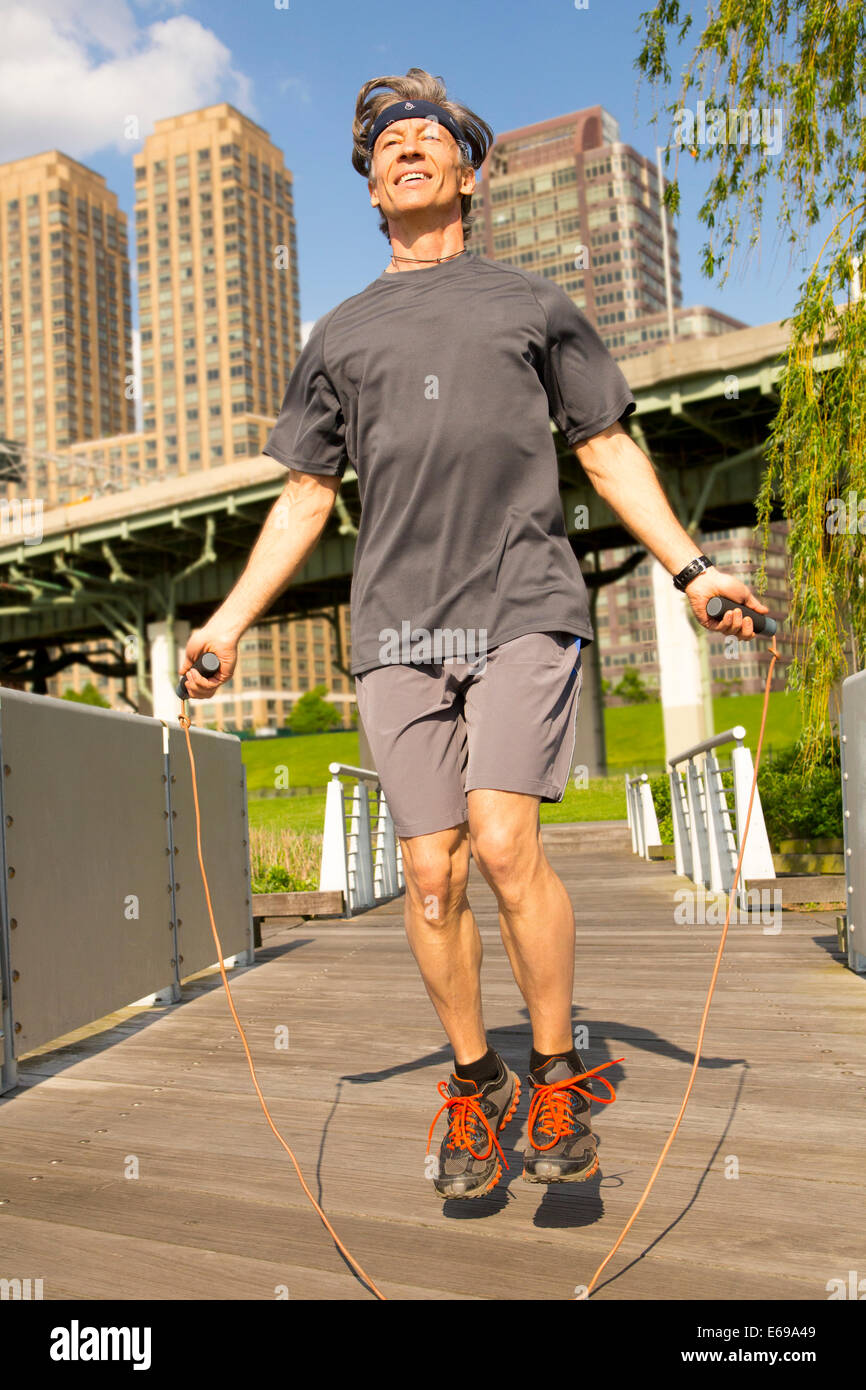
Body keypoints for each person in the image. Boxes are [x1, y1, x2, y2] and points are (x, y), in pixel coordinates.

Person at [180, 68, 770, 1201]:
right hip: (394, 626)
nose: (404, 149)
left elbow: (603, 449)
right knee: (428, 873)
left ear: (469, 169)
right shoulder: (338, 335)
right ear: (369, 190)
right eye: (385, 144)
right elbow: (305, 497)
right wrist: (224, 623)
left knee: (502, 847)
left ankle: (553, 1072)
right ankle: (475, 1083)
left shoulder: (533, 305)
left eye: (427, 137)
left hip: (520, 605)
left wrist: (690, 573)